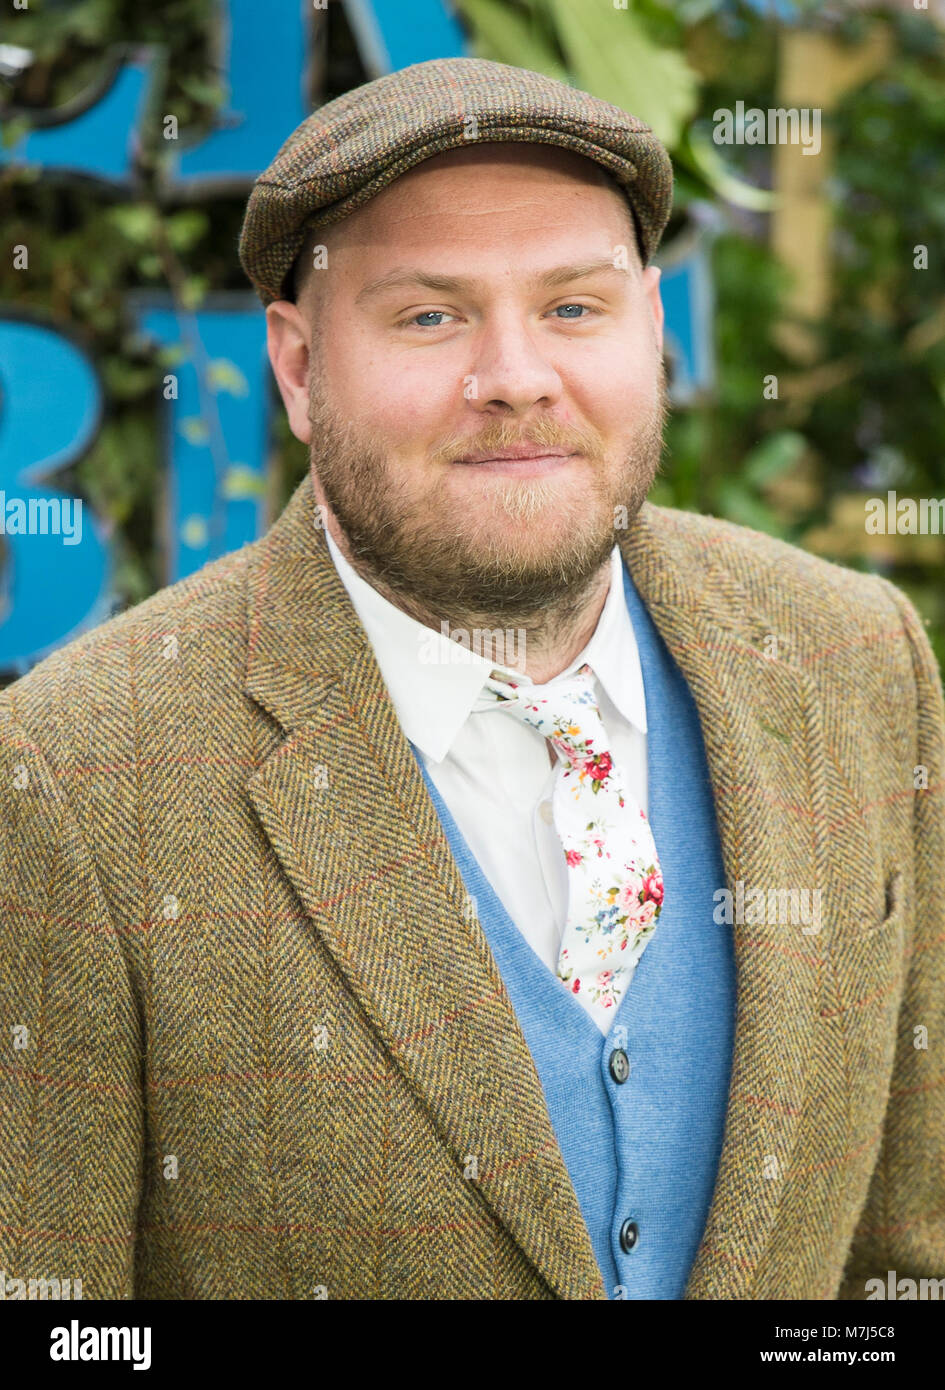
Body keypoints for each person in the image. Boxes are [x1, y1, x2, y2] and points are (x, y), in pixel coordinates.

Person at [0, 57, 941, 1302]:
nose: (515, 375)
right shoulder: (73, 777)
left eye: (574, 308)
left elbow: (904, 1267)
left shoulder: (859, 659)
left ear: (653, 326)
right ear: (295, 366)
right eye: (430, 315)